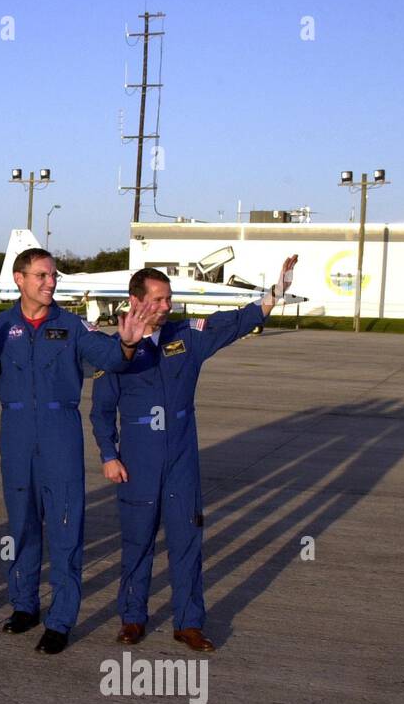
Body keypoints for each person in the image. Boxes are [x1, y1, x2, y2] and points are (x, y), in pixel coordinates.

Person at [90, 256, 298, 652]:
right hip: (137, 463)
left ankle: (189, 622)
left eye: (169, 299)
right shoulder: (114, 352)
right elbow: (100, 410)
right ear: (134, 302)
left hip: (182, 463)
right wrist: (108, 454)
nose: (167, 306)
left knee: (187, 542)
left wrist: (275, 294)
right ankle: (132, 618)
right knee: (138, 544)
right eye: (158, 299)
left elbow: (235, 322)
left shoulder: (186, 336)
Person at [0, 248, 150, 654]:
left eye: (53, 275)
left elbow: (111, 358)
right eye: (41, 276)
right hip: (15, 434)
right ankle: (24, 605)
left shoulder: (72, 326)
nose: (50, 283)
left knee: (66, 524)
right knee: (21, 524)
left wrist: (125, 346)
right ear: (19, 279)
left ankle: (61, 618)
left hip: (60, 434)